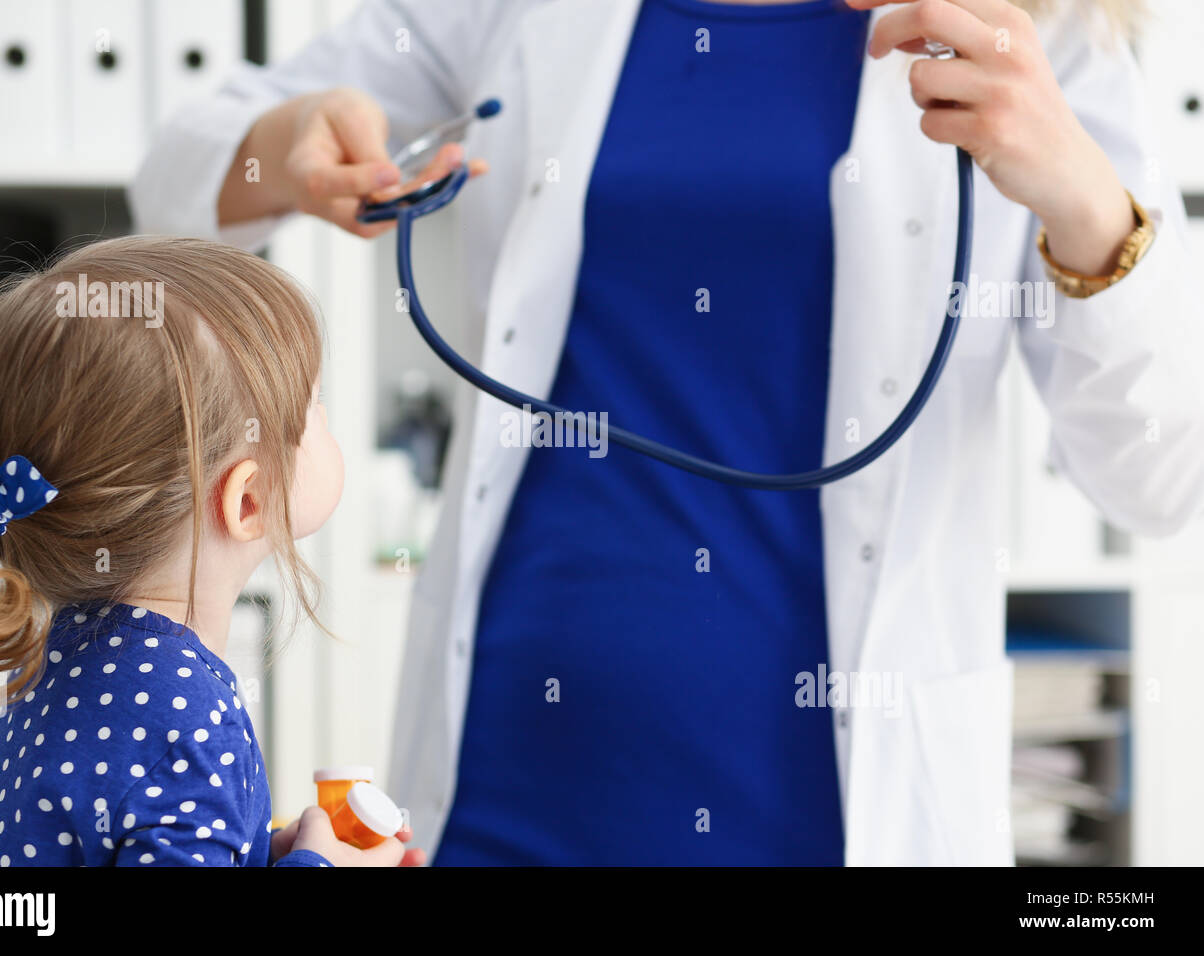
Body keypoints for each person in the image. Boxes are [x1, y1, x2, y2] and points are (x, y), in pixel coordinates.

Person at [131, 0, 1204, 864]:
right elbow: (181, 168)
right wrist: (281, 149)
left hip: (840, 813)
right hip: (505, 782)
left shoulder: (1048, 33)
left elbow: (1158, 476)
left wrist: (1081, 197)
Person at [0, 236, 422, 867]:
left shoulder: (46, 668)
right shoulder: (188, 718)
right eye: (312, 407)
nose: (325, 420)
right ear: (249, 500)